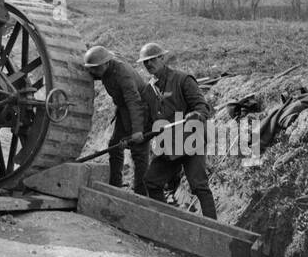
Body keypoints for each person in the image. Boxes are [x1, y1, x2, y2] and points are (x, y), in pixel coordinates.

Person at [138, 42, 217, 219]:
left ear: (162, 58)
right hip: (170, 146)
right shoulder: (149, 90)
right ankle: (164, 222)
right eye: (145, 62)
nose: (149, 64)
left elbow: (202, 107)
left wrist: (196, 114)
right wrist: (136, 136)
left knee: (199, 186)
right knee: (151, 181)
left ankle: (213, 229)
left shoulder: (183, 80)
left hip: (191, 140)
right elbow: (149, 122)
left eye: (152, 60)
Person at [82, 45, 150, 194]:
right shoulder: (105, 66)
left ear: (106, 63)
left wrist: (138, 130)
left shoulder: (122, 74)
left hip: (141, 109)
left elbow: (134, 101)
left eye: (95, 68)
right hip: (123, 109)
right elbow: (95, 71)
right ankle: (115, 186)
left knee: (139, 151)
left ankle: (141, 192)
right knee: (115, 145)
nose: (92, 72)